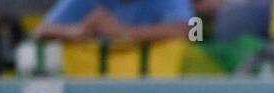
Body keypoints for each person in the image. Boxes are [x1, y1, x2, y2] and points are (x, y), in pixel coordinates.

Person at [33, 0, 192, 42]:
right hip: (95, 87)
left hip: (157, 86)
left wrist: (120, 32)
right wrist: (79, 31)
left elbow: (189, 31)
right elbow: (39, 31)